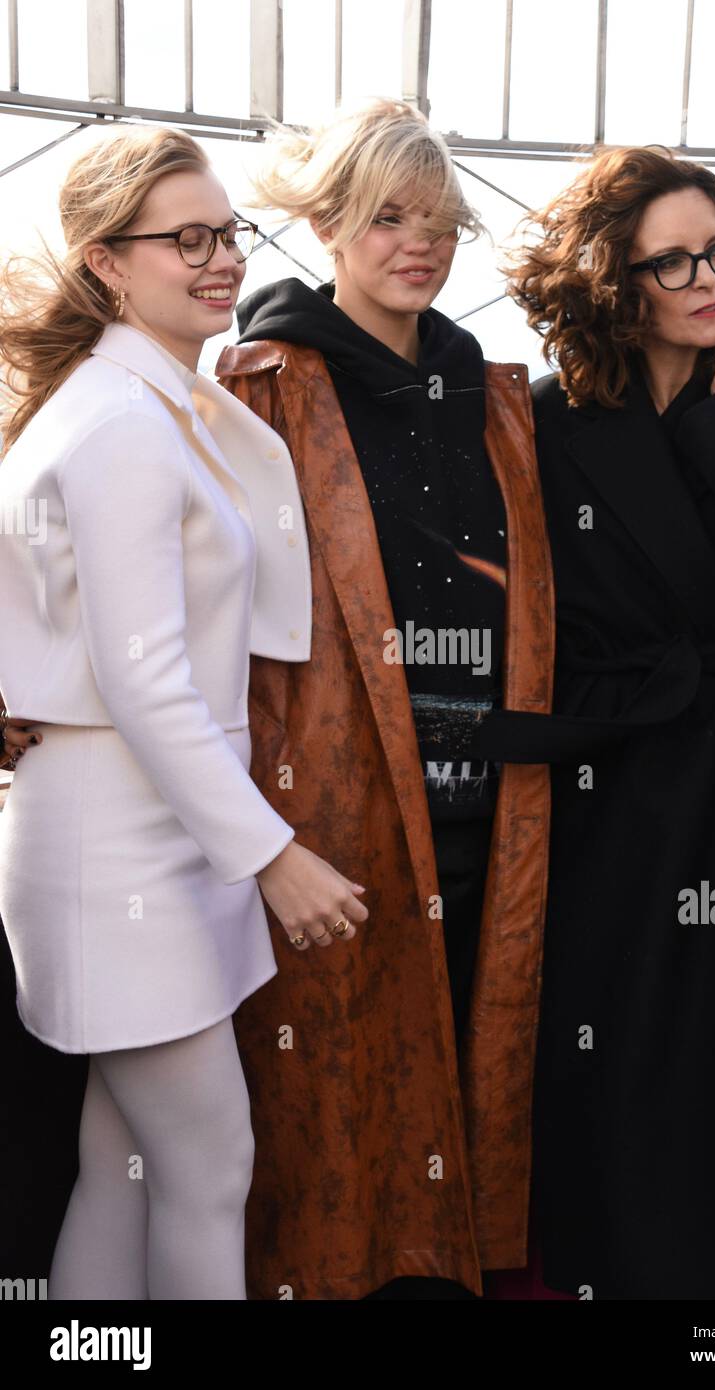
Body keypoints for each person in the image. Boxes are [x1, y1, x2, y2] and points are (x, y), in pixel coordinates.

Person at [471, 144, 715, 1299]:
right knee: (584, 1044)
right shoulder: (541, 420)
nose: (708, 278)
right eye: (673, 260)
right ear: (614, 279)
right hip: (597, 771)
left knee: (705, 1055)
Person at [0, 125, 364, 1300]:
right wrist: (276, 858)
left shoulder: (135, 406)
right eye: (187, 239)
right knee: (208, 1169)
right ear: (108, 261)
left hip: (141, 829)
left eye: (228, 233)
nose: (220, 260)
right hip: (122, 843)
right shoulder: (119, 424)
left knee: (128, 1167)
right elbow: (146, 678)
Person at [214, 97, 554, 1299]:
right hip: (334, 815)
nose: (418, 243)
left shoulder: (492, 396)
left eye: (440, 221)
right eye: (385, 217)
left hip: (489, 806)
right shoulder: (261, 384)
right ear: (326, 224)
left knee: (465, 1094)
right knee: (328, 1119)